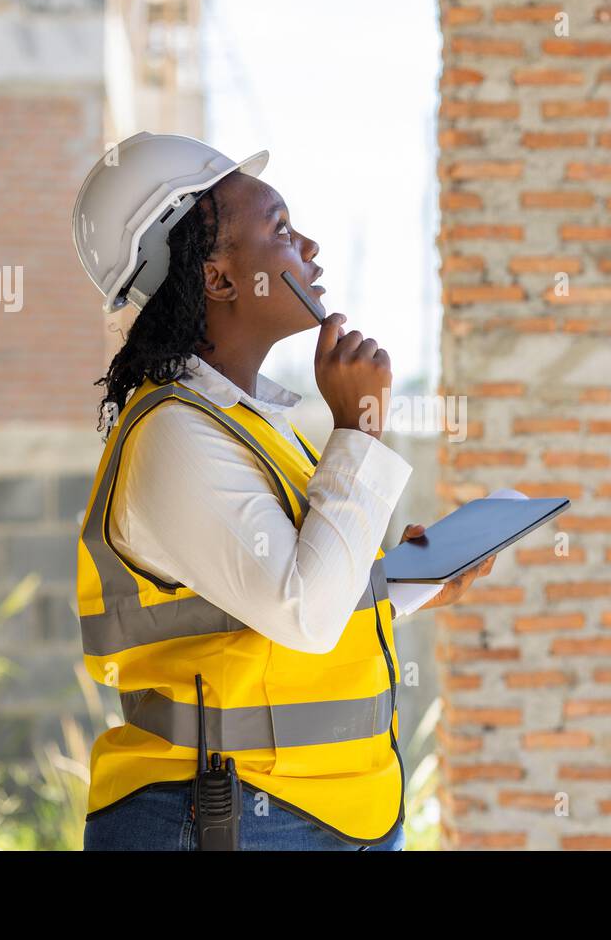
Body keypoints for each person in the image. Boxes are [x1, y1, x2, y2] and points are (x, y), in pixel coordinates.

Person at [70, 132, 492, 850]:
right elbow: (304, 615)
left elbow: (279, 600)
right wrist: (358, 428)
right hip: (218, 819)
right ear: (221, 279)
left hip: (315, 813)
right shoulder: (174, 437)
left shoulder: (256, 429)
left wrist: (405, 587)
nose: (312, 249)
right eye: (281, 230)